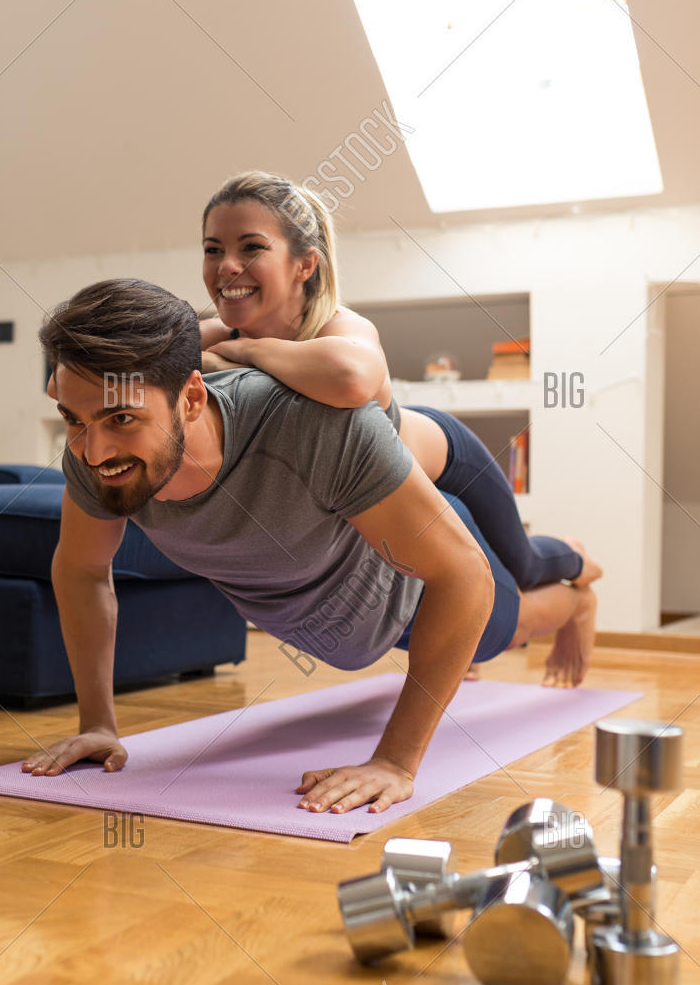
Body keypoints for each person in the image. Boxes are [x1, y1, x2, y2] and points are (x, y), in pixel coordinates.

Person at [23, 279, 599, 816]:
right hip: (348, 614)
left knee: (508, 629)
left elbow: (464, 578)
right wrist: (98, 723)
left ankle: (575, 595)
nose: (93, 450)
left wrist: (396, 761)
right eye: (72, 419)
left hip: (419, 581)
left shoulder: (310, 425)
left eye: (122, 418)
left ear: (192, 400)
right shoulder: (97, 456)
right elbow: (82, 570)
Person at [197, 171, 600, 687]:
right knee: (487, 619)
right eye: (213, 250)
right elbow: (152, 352)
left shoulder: (339, 325)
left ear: (305, 264)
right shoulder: (213, 332)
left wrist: (245, 351)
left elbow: (351, 378)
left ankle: (578, 578)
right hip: (392, 491)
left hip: (445, 456)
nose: (227, 266)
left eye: (250, 247)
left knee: (521, 565)